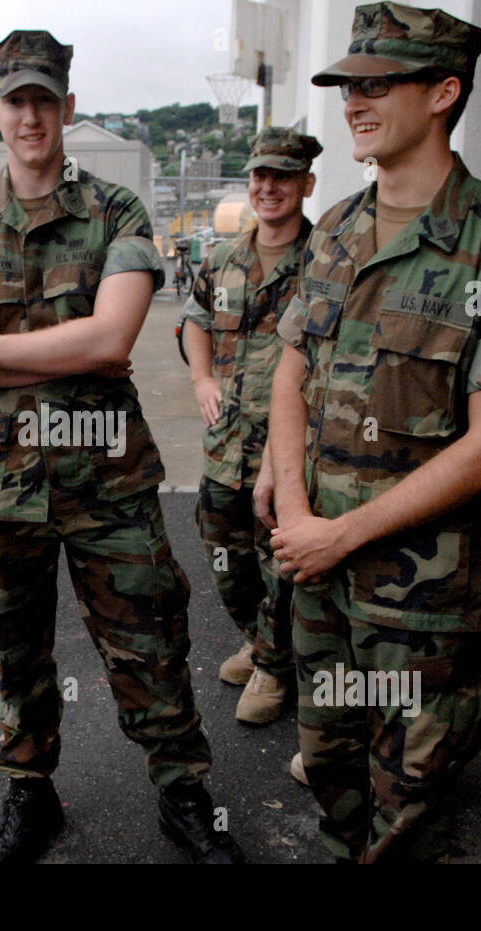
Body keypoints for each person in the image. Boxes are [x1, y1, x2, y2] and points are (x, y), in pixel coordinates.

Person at [0, 28, 242, 864]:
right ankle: (31, 795)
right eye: (14, 101)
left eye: (43, 100)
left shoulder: (116, 210)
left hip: (107, 478)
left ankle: (183, 792)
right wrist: (54, 347)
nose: (30, 116)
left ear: (68, 106)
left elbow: (110, 339)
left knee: (151, 641)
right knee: (15, 651)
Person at [262, 1, 481, 862]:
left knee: (407, 803)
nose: (353, 102)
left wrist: (337, 533)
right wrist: (295, 509)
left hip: (421, 602)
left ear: (443, 92)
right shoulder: (334, 228)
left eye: (376, 85)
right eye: (347, 86)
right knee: (330, 766)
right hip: (317, 574)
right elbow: (291, 370)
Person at [182, 126, 320, 724]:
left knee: (282, 563)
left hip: (289, 446)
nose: (269, 187)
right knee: (225, 556)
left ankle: (273, 667)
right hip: (227, 443)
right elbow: (194, 319)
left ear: (305, 184)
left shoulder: (324, 262)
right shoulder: (222, 259)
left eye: (282, 177)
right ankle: (259, 640)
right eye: (260, 176)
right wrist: (201, 379)